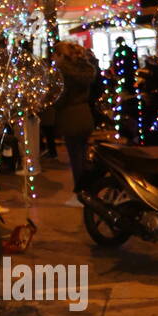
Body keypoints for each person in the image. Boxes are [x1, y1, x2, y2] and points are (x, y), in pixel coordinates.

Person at [53, 41, 97, 200]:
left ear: (61, 56)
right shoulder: (84, 71)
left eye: (55, 54)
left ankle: (80, 194)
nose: (53, 58)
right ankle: (88, 191)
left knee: (76, 158)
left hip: (71, 118)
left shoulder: (64, 73)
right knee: (83, 156)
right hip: (85, 115)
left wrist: (53, 102)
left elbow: (62, 98)